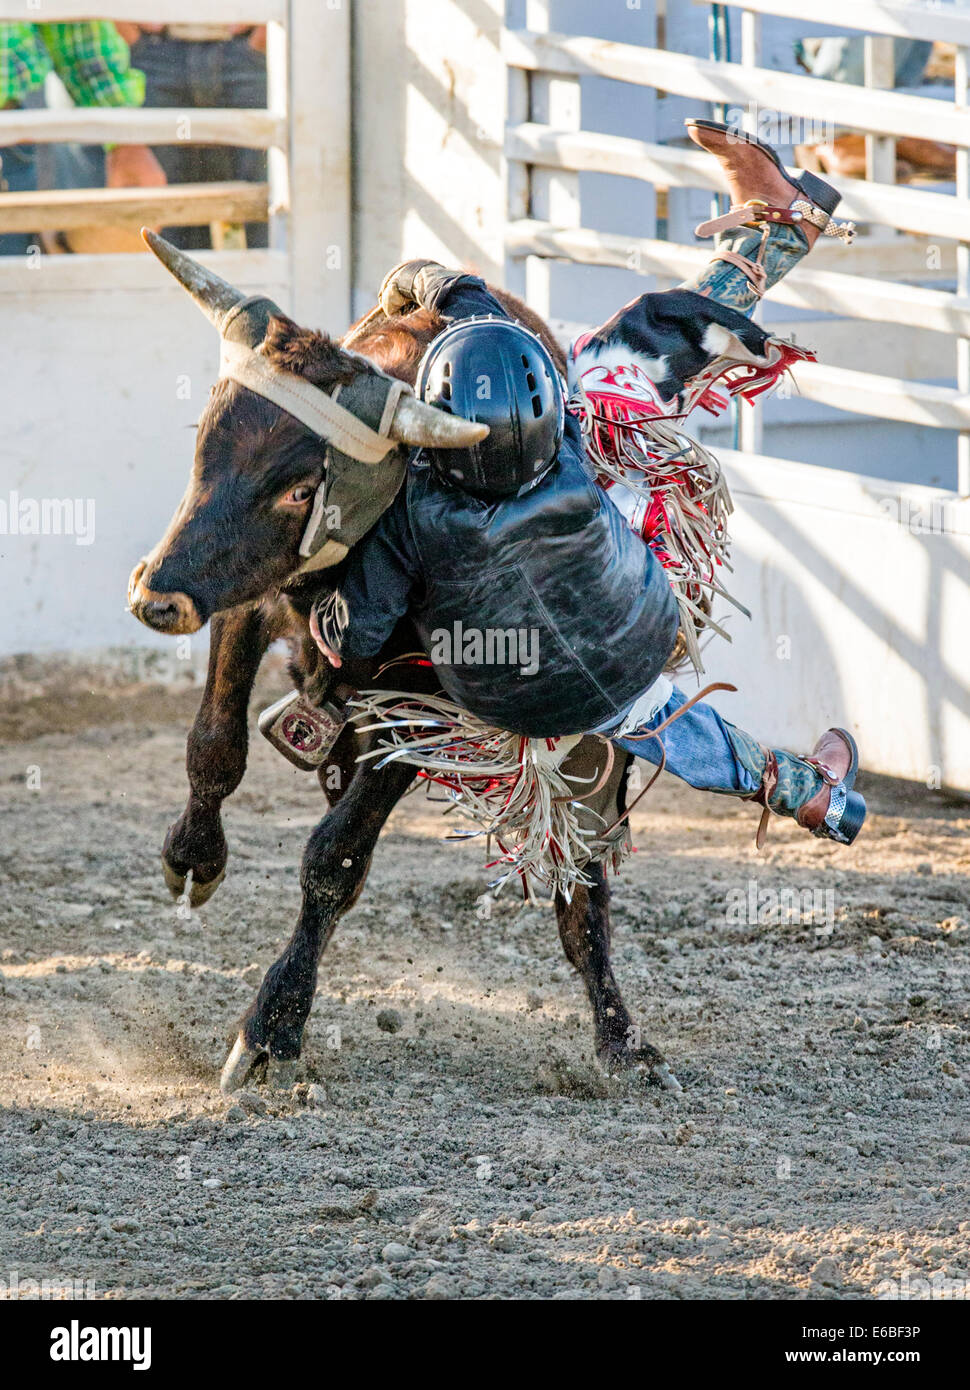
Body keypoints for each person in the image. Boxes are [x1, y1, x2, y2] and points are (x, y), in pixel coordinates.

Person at [310, 121, 865, 850]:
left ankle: (794, 784)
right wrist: (418, 279)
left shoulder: (416, 507)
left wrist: (327, 608)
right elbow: (473, 301)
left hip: (513, 694)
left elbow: (354, 640)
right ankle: (811, 795)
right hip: (630, 647)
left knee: (625, 705)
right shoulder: (570, 440)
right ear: (544, 403)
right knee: (625, 357)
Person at [0, 19, 164, 255]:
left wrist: (125, 141)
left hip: (9, 142)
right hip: (12, 138)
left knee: (13, 279)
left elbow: (74, 32)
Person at [113, 21, 268, 250]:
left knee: (266, 213)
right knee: (162, 222)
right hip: (157, 50)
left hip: (247, 49)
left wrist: (264, 31)